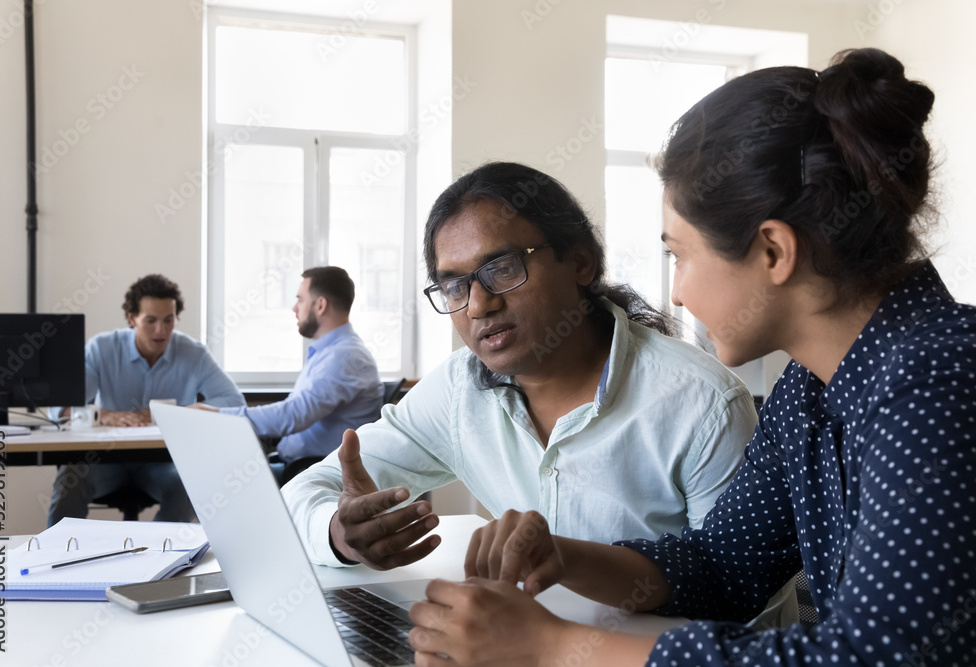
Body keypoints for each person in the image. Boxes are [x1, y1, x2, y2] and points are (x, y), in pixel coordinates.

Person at [407, 49, 976, 666]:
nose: (675, 291)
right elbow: (723, 567)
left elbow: (873, 657)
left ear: (773, 253)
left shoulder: (942, 379)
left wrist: (551, 646)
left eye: (681, 255)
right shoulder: (808, 390)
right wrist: (564, 556)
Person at [282, 161, 759, 573]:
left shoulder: (702, 405)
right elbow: (309, 488)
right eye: (454, 286)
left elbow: (738, 604)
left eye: (503, 268)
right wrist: (340, 534)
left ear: (580, 263)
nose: (478, 305)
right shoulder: (460, 388)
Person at [47, 274, 244, 526]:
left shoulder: (193, 354)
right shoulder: (102, 349)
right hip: (104, 460)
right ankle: (55, 556)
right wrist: (102, 414)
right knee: (70, 476)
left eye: (168, 320)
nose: (161, 330)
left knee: (191, 482)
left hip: (164, 462)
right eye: (150, 320)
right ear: (132, 319)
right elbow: (58, 408)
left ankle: (159, 557)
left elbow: (234, 403)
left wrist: (171, 414)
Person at [202, 266, 383, 471]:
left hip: (316, 471)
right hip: (298, 465)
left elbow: (293, 415)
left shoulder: (344, 357)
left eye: (300, 299)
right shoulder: (330, 352)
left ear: (321, 305)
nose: (294, 308)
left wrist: (216, 416)